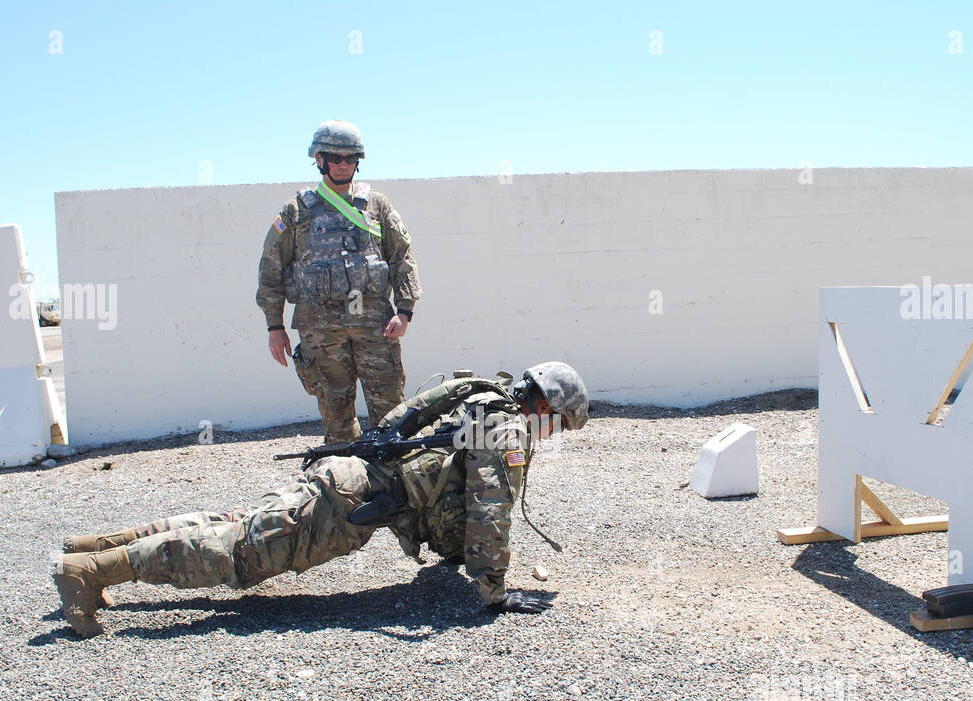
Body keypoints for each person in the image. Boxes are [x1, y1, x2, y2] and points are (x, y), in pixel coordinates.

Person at [52, 363, 590, 638]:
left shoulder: (477, 393)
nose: (551, 435)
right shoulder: (506, 430)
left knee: (236, 522)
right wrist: (494, 594)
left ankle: (99, 546)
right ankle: (94, 572)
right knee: (236, 553)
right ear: (548, 407)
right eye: (557, 425)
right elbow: (490, 514)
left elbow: (400, 422)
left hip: (348, 476)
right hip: (350, 504)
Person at [256, 119, 421, 443]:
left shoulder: (377, 205)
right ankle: (343, 486)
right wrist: (274, 327)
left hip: (375, 326)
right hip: (320, 332)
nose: (343, 165)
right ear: (319, 160)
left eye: (350, 158)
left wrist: (405, 311)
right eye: (335, 158)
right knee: (336, 417)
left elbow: (402, 257)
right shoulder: (296, 211)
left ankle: (391, 486)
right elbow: (271, 267)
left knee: (391, 416)